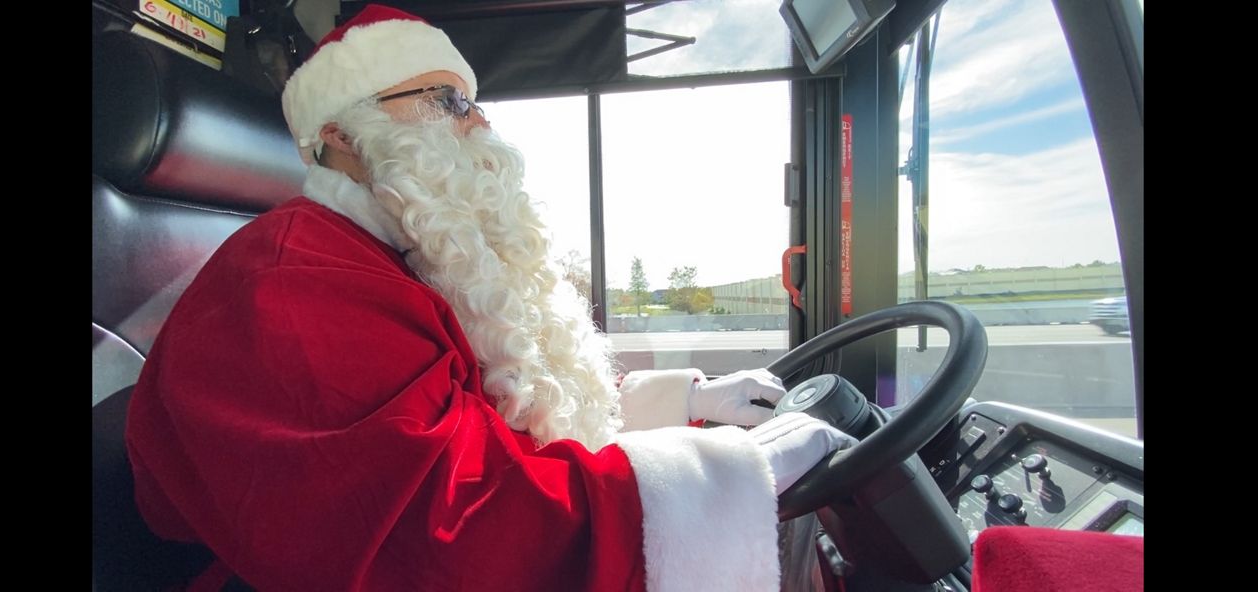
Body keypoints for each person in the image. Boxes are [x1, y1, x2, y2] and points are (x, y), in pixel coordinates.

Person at [124, 5, 855, 591]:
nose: (482, 125)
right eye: (448, 101)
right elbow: (452, 535)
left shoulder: (407, 250)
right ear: (343, 135)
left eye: (475, 101)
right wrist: (730, 474)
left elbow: (503, 407)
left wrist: (680, 405)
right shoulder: (295, 284)